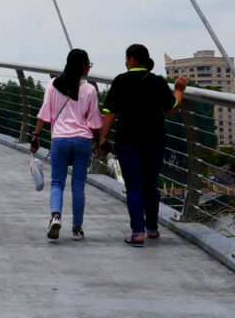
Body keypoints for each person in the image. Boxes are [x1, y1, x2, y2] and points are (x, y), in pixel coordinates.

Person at [98, 43, 187, 246]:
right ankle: (152, 229)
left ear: (132, 60)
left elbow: (110, 112)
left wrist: (103, 138)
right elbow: (172, 108)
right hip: (154, 141)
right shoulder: (157, 81)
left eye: (127, 59)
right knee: (150, 185)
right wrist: (179, 90)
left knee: (134, 187)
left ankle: (137, 232)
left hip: (127, 141)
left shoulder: (120, 81)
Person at [30, 48, 101, 241]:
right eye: (88, 64)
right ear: (82, 66)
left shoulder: (53, 84)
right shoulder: (90, 89)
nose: (89, 68)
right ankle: (77, 228)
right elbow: (94, 120)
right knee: (78, 185)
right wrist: (97, 141)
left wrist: (36, 135)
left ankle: (55, 217)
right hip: (82, 140)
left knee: (57, 183)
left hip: (59, 138)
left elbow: (45, 112)